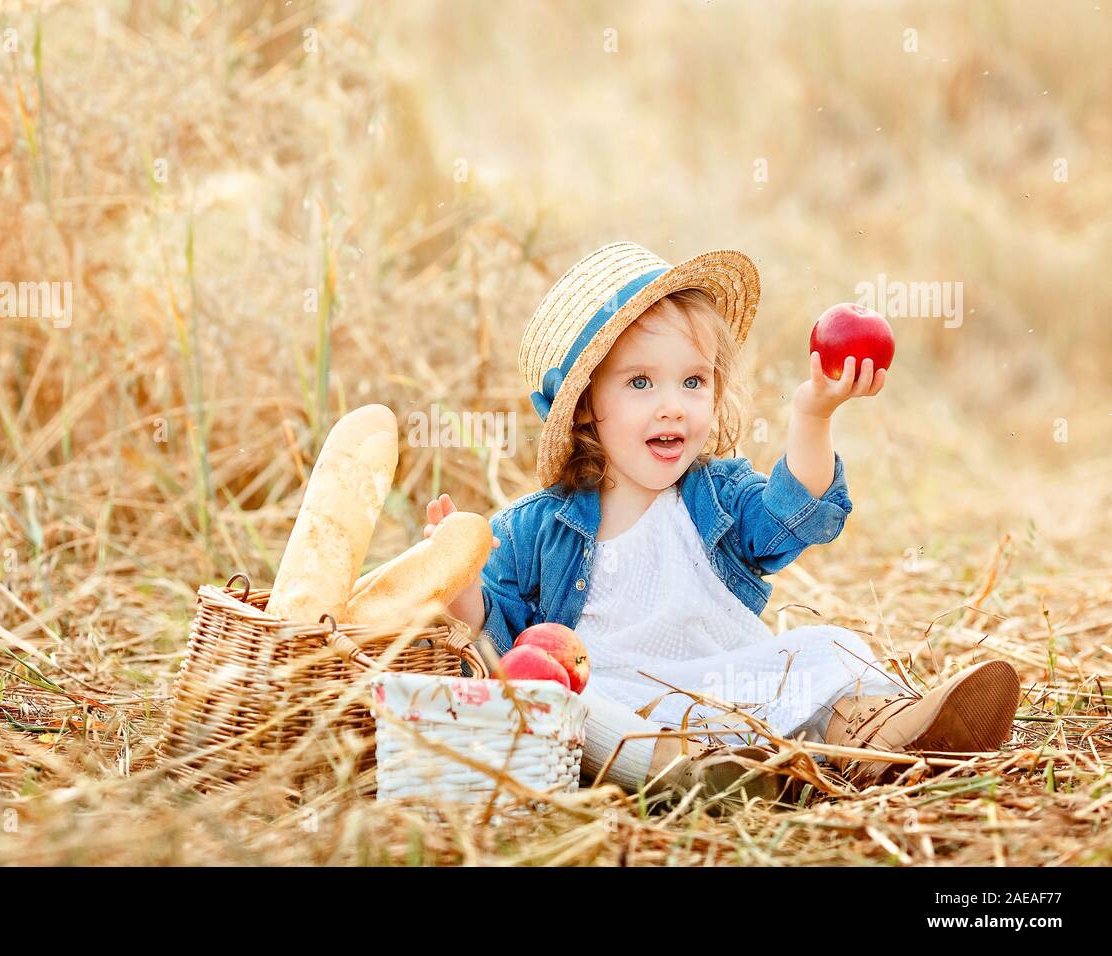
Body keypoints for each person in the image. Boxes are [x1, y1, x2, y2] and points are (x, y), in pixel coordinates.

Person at [425, 242, 1021, 813]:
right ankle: (691, 774)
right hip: (628, 708)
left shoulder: (717, 495)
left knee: (831, 646)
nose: (674, 405)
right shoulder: (535, 528)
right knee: (563, 700)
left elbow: (793, 517)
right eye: (640, 382)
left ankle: (884, 736)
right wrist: (458, 585)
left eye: (694, 381)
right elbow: (496, 643)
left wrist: (812, 416)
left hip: (734, 690)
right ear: (584, 404)